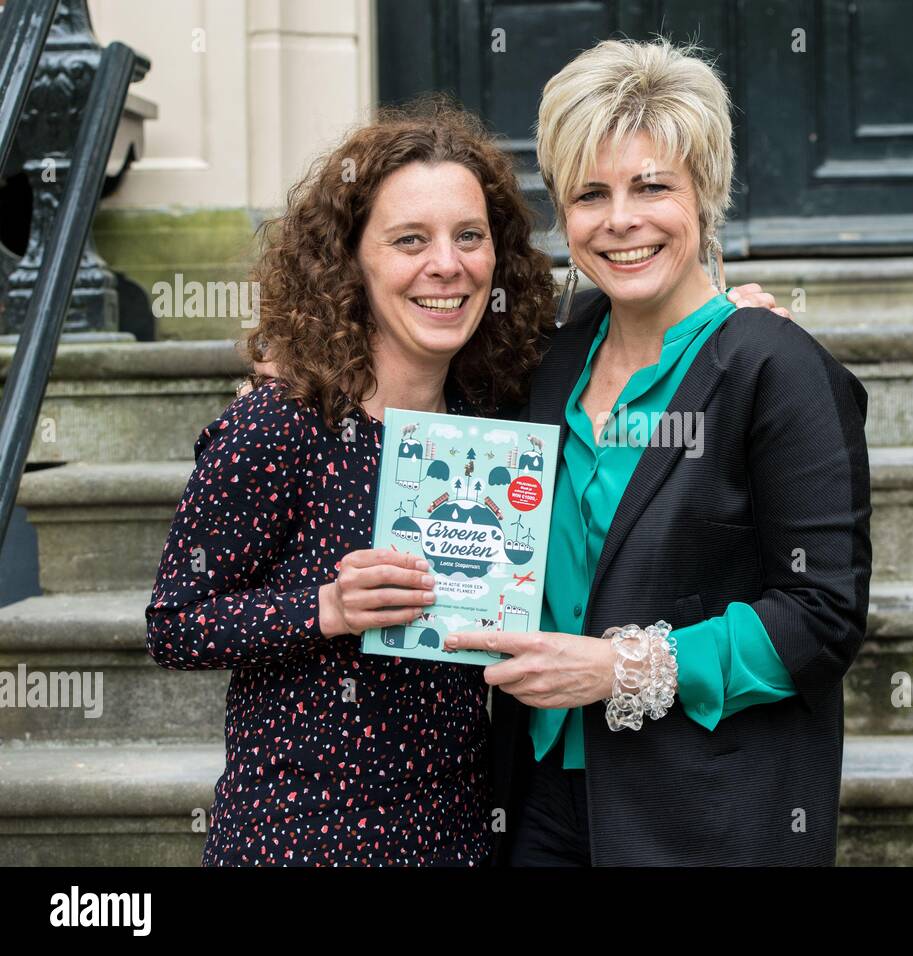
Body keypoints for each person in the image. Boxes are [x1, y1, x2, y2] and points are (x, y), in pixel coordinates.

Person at [147, 97, 784, 866]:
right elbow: (174, 625)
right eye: (409, 239)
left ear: (498, 258)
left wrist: (727, 322)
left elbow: (641, 336)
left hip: (464, 830)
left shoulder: (502, 416)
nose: (445, 266)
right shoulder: (282, 426)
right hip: (306, 834)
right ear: (352, 259)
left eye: (469, 238)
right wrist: (325, 608)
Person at [446, 39, 872, 866]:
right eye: (590, 194)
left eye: (652, 187)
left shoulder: (774, 368)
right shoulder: (546, 362)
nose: (620, 221)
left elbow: (822, 618)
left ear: (705, 197)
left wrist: (619, 668)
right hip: (536, 804)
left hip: (704, 814)